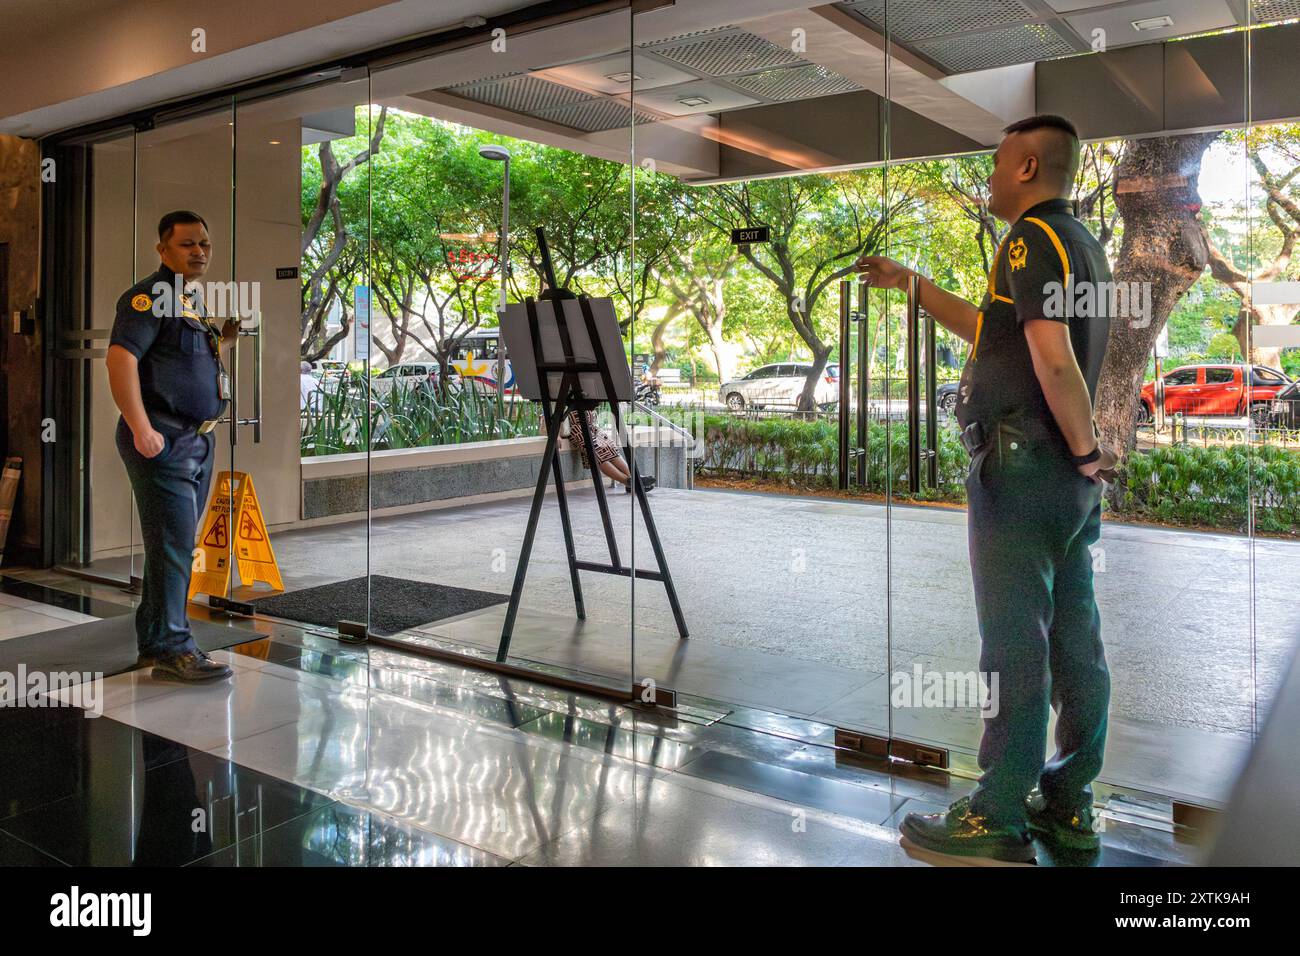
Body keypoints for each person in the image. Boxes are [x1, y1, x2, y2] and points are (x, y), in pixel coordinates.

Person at [858, 114, 1118, 863]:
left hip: (1021, 469)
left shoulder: (1030, 238)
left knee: (1012, 645)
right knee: (1076, 642)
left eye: (1000, 163)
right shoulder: (1083, 244)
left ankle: (997, 813)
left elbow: (1053, 357)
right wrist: (913, 286)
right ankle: (1068, 802)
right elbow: (994, 331)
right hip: (1064, 480)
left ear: (1029, 168)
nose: (992, 177)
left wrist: (1084, 444)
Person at [106, 210, 238, 683]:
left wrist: (225, 337)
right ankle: (174, 648)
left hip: (197, 439)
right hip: (164, 438)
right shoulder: (147, 297)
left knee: (173, 546)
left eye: (204, 243)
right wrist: (142, 428)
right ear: (163, 249)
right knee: (175, 545)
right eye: (186, 244)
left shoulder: (190, 300)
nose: (199, 251)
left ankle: (156, 640)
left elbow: (184, 362)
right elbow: (121, 359)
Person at [565, 407, 655, 493]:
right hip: (577, 429)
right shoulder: (563, 395)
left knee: (610, 447)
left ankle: (635, 477)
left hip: (591, 427)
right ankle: (628, 482)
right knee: (597, 453)